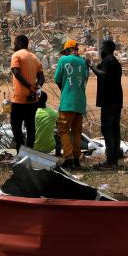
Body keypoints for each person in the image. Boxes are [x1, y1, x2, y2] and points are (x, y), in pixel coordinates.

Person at [53, 39, 88, 168]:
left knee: (63, 129)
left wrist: (64, 88)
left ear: (68, 50)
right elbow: (85, 80)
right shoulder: (84, 63)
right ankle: (77, 159)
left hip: (67, 101)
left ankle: (68, 158)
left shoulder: (63, 60)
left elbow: (57, 78)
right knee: (76, 132)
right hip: (80, 101)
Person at [89, 38, 123, 167]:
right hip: (116, 100)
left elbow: (102, 74)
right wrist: (96, 66)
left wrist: (90, 66)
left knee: (107, 129)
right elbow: (103, 72)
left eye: (102, 47)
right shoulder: (113, 61)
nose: (100, 50)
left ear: (108, 48)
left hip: (109, 101)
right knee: (115, 129)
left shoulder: (109, 61)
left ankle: (111, 160)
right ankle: (114, 158)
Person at [9, 34, 45, 149]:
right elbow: (41, 78)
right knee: (30, 126)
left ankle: (20, 150)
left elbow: (16, 73)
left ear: (19, 43)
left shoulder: (16, 55)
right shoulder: (35, 57)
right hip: (32, 99)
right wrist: (36, 88)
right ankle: (30, 150)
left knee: (16, 126)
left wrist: (29, 86)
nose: (14, 46)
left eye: (15, 44)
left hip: (19, 99)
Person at [33, 91, 61, 156]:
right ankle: (58, 154)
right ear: (46, 99)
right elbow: (59, 125)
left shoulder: (31, 113)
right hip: (49, 147)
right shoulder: (53, 113)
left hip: (33, 146)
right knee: (58, 132)